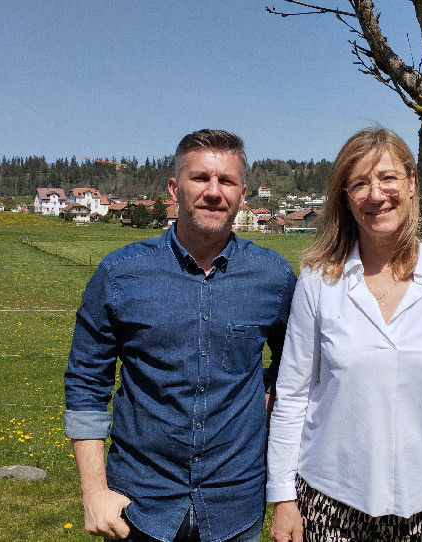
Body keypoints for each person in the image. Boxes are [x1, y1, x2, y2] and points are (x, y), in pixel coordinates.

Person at [64, 129, 297, 542]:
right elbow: (86, 383)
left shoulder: (273, 277)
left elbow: (296, 369)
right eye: (199, 178)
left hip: (235, 505)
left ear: (243, 194)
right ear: (174, 188)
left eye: (226, 181)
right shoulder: (120, 274)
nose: (213, 191)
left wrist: (261, 401)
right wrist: (93, 492)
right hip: (138, 504)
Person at [266, 127, 422, 542]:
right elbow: (291, 396)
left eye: (387, 177)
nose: (375, 194)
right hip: (330, 495)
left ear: (413, 183)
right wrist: (283, 497)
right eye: (359, 183)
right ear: (344, 196)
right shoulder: (318, 282)